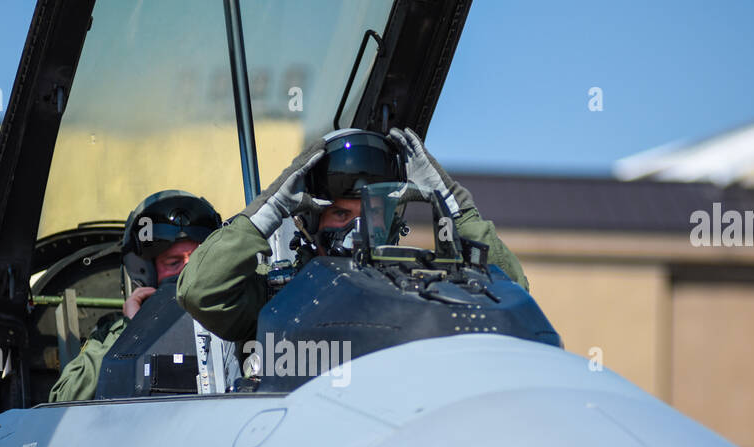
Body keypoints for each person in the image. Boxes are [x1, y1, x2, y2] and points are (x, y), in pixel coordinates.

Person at [177, 127, 530, 343]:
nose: (357, 231)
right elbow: (201, 291)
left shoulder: (424, 291)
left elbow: (510, 297)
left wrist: (456, 207)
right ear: (311, 222)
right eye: (341, 214)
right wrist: (271, 208)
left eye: (372, 214)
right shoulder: (274, 297)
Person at [49, 191, 221, 402]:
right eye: (173, 263)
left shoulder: (237, 313)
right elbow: (64, 397)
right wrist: (134, 330)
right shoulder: (113, 333)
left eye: (197, 261)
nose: (189, 273)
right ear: (145, 272)